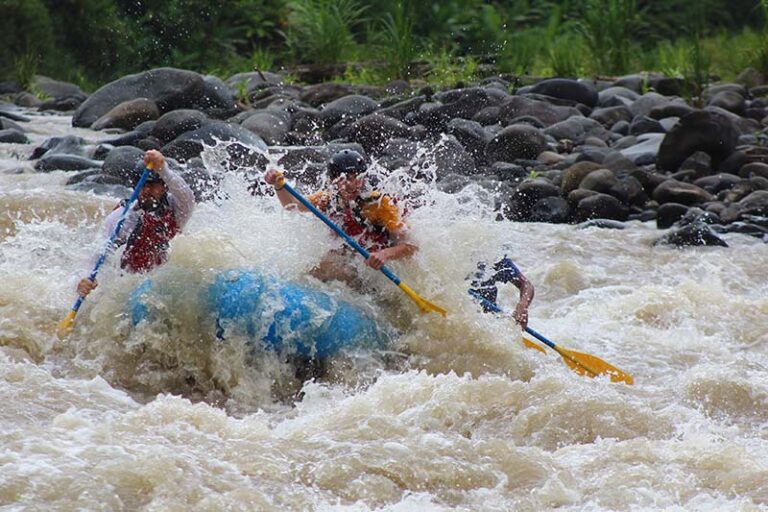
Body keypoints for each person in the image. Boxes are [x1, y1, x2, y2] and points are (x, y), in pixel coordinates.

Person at [264, 149, 417, 289]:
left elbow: (411, 245)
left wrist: (384, 254)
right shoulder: (327, 199)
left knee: (332, 268)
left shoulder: (378, 204)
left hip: (380, 269)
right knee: (317, 268)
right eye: (345, 179)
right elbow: (292, 206)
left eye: (357, 177)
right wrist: (278, 186)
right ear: (332, 181)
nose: (352, 184)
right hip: (352, 261)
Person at [76, 149, 195, 298]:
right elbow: (97, 253)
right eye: (142, 185)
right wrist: (83, 279)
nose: (146, 190)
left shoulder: (177, 210)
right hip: (130, 285)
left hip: (167, 279)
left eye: (152, 185)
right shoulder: (121, 218)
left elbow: (186, 195)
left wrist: (163, 169)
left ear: (164, 187)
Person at [468, 255, 534, 329]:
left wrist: (522, 306)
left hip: (488, 320)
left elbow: (526, 284)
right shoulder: (456, 257)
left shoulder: (494, 258)